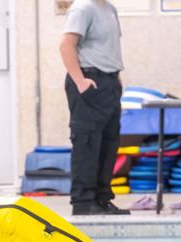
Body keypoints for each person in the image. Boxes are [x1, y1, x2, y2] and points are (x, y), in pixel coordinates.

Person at [59, 0, 130, 216]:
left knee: (109, 144)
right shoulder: (83, 8)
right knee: (87, 144)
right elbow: (66, 44)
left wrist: (116, 79)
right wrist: (81, 81)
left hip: (108, 82)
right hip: (89, 79)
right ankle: (83, 202)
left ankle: (102, 199)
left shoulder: (109, 9)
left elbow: (108, 49)